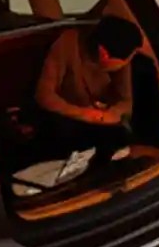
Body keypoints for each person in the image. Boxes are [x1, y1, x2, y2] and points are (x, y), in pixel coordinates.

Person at [34, 15, 143, 166]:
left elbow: (125, 101)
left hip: (101, 125)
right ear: (103, 54)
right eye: (124, 62)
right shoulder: (68, 44)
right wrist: (86, 114)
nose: (127, 64)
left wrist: (112, 114)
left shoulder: (121, 54)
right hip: (66, 122)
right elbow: (44, 95)